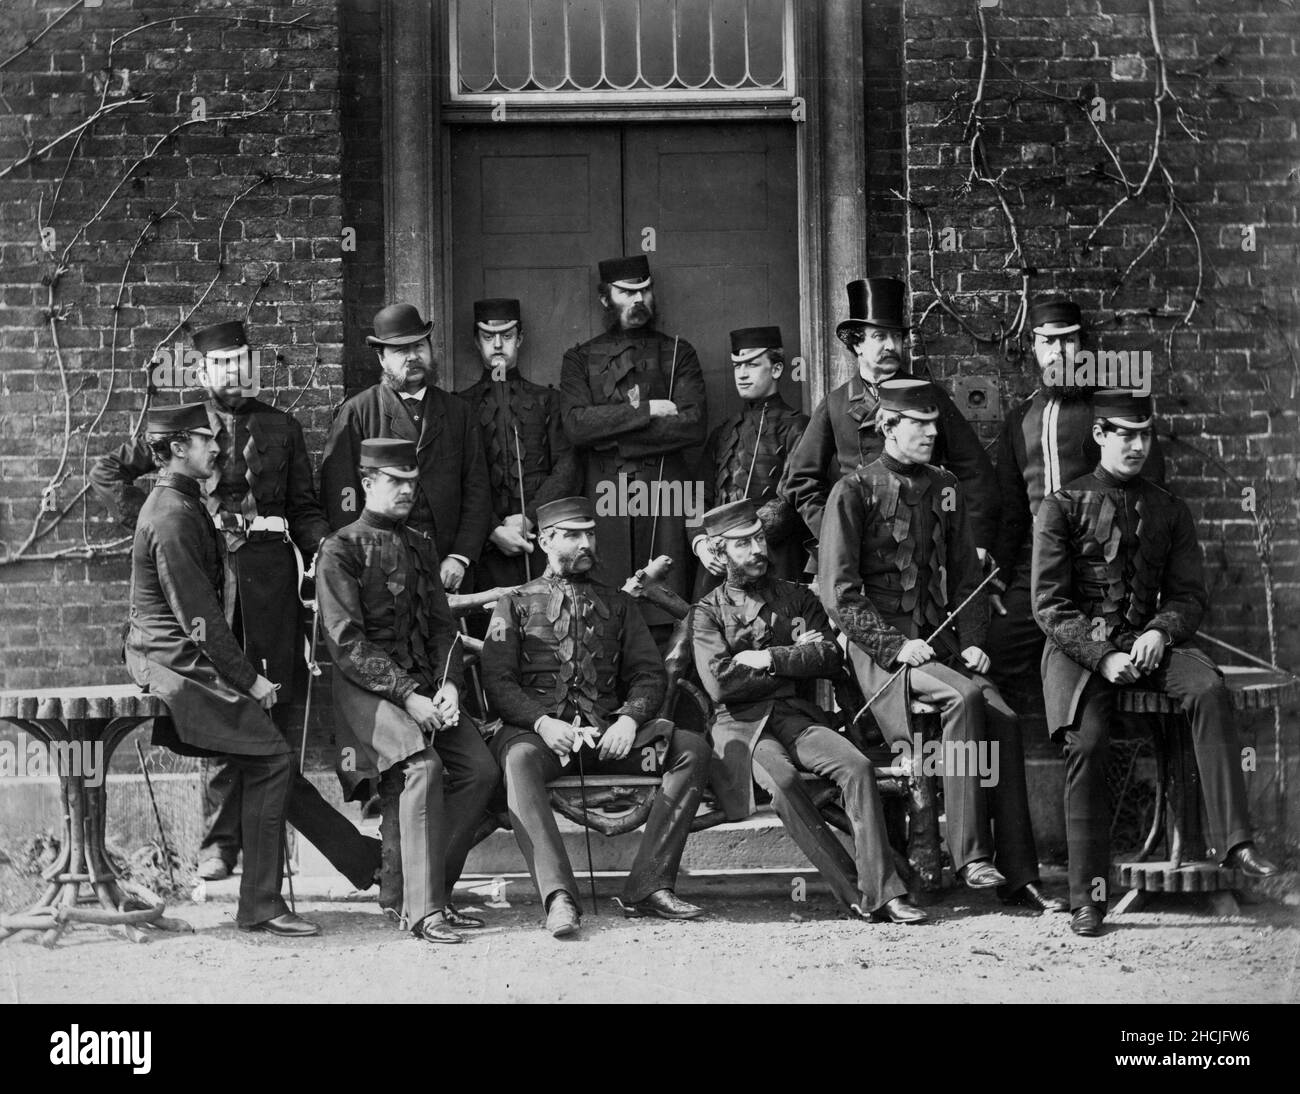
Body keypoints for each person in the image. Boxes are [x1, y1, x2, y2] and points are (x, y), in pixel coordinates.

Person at [92, 320, 379, 889]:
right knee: (232, 700)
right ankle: (220, 843)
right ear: (202, 372)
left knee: (270, 706)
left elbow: (302, 506)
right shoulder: (185, 431)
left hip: (269, 578)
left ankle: (271, 845)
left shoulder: (281, 425)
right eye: (222, 364)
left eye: (242, 362)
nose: (234, 373)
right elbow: (106, 474)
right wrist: (159, 522)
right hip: (209, 576)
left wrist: (322, 547)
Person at [1032, 389, 1279, 937]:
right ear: (1099, 436)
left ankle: (1234, 844)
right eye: (1125, 433)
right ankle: (1086, 897)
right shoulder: (1060, 505)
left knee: (1206, 687)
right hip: (1079, 653)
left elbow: (1188, 596)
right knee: (1088, 744)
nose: (1137, 445)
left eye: (1144, 434)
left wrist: (1158, 632)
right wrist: (1103, 654)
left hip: (1149, 645)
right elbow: (1050, 605)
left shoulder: (1168, 507)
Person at [821, 378, 1065, 914]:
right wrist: (893, 647)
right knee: (965, 700)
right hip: (880, 656)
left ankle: (1019, 876)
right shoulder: (852, 492)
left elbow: (966, 578)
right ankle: (969, 853)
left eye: (935, 422)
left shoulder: (945, 486)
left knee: (1002, 715)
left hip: (942, 650)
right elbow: (839, 593)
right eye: (919, 424)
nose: (932, 432)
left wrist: (975, 642)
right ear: (887, 426)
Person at [124, 404, 317, 936]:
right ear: (179, 447)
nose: (217, 449)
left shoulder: (183, 505)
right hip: (169, 658)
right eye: (207, 440)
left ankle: (344, 869)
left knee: (268, 758)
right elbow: (200, 620)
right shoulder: (170, 515)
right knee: (273, 756)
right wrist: (249, 681)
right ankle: (260, 904)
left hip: (181, 650)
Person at [480, 496, 709, 938]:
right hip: (543, 743)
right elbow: (498, 682)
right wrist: (543, 723)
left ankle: (649, 886)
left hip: (608, 741)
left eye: (590, 534)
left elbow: (647, 673)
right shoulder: (515, 604)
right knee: (517, 761)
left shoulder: (619, 605)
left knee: (690, 749)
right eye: (572, 535)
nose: (585, 543)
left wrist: (627, 720)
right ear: (546, 541)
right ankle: (559, 897)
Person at [692, 499, 926, 924]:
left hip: (795, 718)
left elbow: (829, 657)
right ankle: (856, 889)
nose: (757, 550)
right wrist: (794, 655)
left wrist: (768, 660)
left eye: (760, 539)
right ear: (719, 552)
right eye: (742, 545)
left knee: (855, 766)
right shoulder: (706, 612)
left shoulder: (797, 597)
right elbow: (721, 683)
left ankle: (887, 893)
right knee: (782, 781)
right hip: (740, 728)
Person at [314, 439, 499, 944]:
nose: (406, 491)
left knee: (480, 771)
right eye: (395, 482)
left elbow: (442, 630)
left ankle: (429, 885)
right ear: (368, 483)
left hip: (421, 688)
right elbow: (345, 642)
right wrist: (408, 696)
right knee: (423, 767)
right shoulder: (340, 549)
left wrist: (450, 687)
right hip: (366, 692)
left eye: (412, 482)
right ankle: (424, 911)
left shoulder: (420, 544)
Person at [987, 296, 1165, 708]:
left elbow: (1149, 491)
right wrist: (998, 574)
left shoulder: (1112, 409)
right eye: (1049, 342)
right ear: (1034, 347)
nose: (1059, 352)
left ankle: (1092, 734)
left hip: (1102, 565)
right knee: (997, 646)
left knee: (1105, 651)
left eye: (1068, 342)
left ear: (1081, 346)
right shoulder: (1020, 420)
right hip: (1039, 568)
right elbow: (1012, 510)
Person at [780, 278, 998, 572]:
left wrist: (975, 543)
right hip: (855, 555)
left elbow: (974, 471)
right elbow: (800, 482)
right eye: (880, 337)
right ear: (856, 343)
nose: (892, 346)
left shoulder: (928, 395)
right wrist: (836, 533)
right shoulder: (834, 404)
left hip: (922, 549)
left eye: (896, 337)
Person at [559, 256, 708, 639]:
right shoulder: (578, 358)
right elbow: (576, 426)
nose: (638, 299)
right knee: (603, 617)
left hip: (665, 498)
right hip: (604, 501)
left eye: (644, 289)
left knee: (668, 614)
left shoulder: (678, 353)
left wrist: (608, 434)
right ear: (606, 299)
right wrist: (647, 411)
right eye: (626, 292)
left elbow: (691, 426)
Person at [320, 303, 492, 593]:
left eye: (419, 346)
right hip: (380, 565)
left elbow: (477, 489)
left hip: (447, 567)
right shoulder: (357, 413)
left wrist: (460, 557)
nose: (413, 357)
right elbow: (343, 493)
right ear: (381, 358)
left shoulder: (458, 413)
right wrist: (361, 556)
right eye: (401, 350)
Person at [455, 298, 577, 592]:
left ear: (519, 338)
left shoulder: (548, 400)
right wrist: (494, 529)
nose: (497, 344)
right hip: (483, 547)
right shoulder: (458, 406)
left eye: (506, 336)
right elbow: (455, 478)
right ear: (476, 341)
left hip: (541, 541)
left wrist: (529, 518)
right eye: (488, 337)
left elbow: (567, 467)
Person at [689, 327, 809, 594]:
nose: (742, 374)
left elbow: (793, 499)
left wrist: (741, 539)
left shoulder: (799, 428)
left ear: (776, 370)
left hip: (773, 560)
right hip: (718, 564)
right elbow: (695, 496)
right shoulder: (722, 432)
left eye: (752, 365)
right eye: (737, 367)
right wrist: (700, 544)